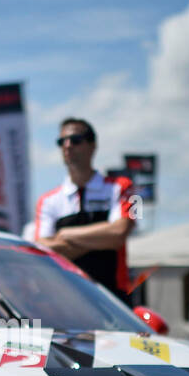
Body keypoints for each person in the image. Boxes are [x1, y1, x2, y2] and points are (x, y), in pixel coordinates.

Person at [34, 118, 137, 304]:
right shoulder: (47, 200)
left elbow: (119, 234)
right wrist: (100, 239)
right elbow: (41, 249)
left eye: (75, 140)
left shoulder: (124, 187)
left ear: (93, 145)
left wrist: (65, 234)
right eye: (61, 142)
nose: (67, 146)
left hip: (113, 299)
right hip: (64, 298)